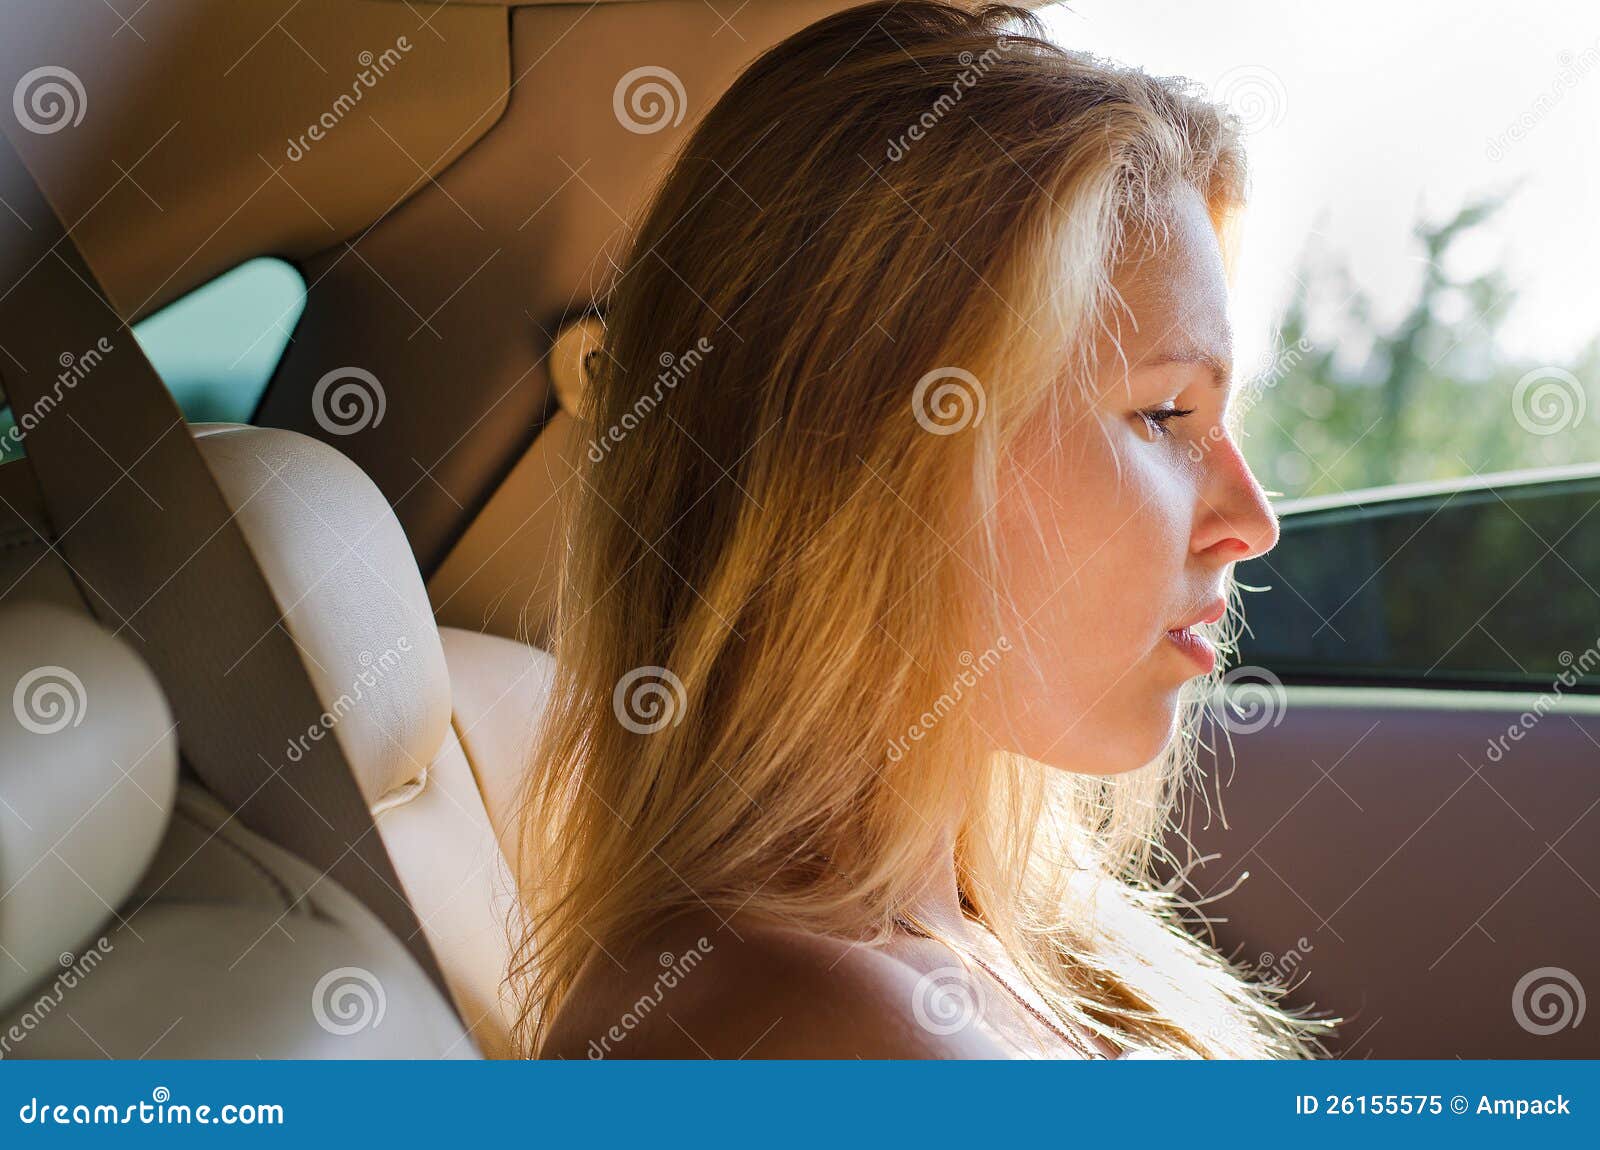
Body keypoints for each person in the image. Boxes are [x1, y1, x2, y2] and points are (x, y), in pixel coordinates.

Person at [509, 0, 1335, 1059]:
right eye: (1166, 413)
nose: (1251, 523)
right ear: (875, 457)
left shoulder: (993, 932)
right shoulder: (809, 1028)